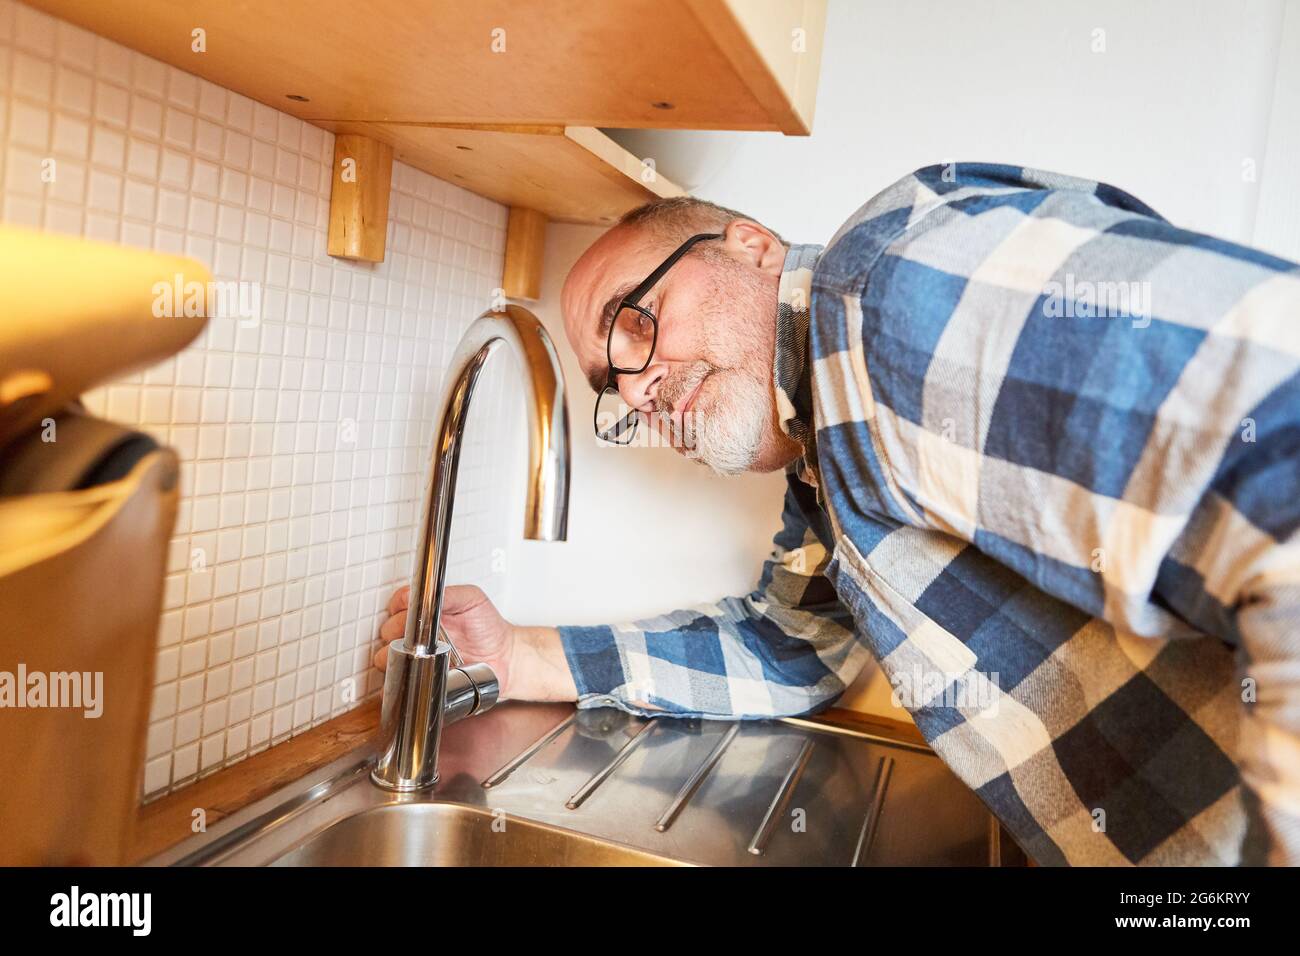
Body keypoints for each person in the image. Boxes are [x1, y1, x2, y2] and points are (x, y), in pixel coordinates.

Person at [378, 163, 1300, 866]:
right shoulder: (828, 441)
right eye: (609, 382)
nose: (640, 385)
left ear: (751, 246)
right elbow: (794, 648)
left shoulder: (893, 293)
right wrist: (522, 655)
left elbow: (1282, 441)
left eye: (636, 318)